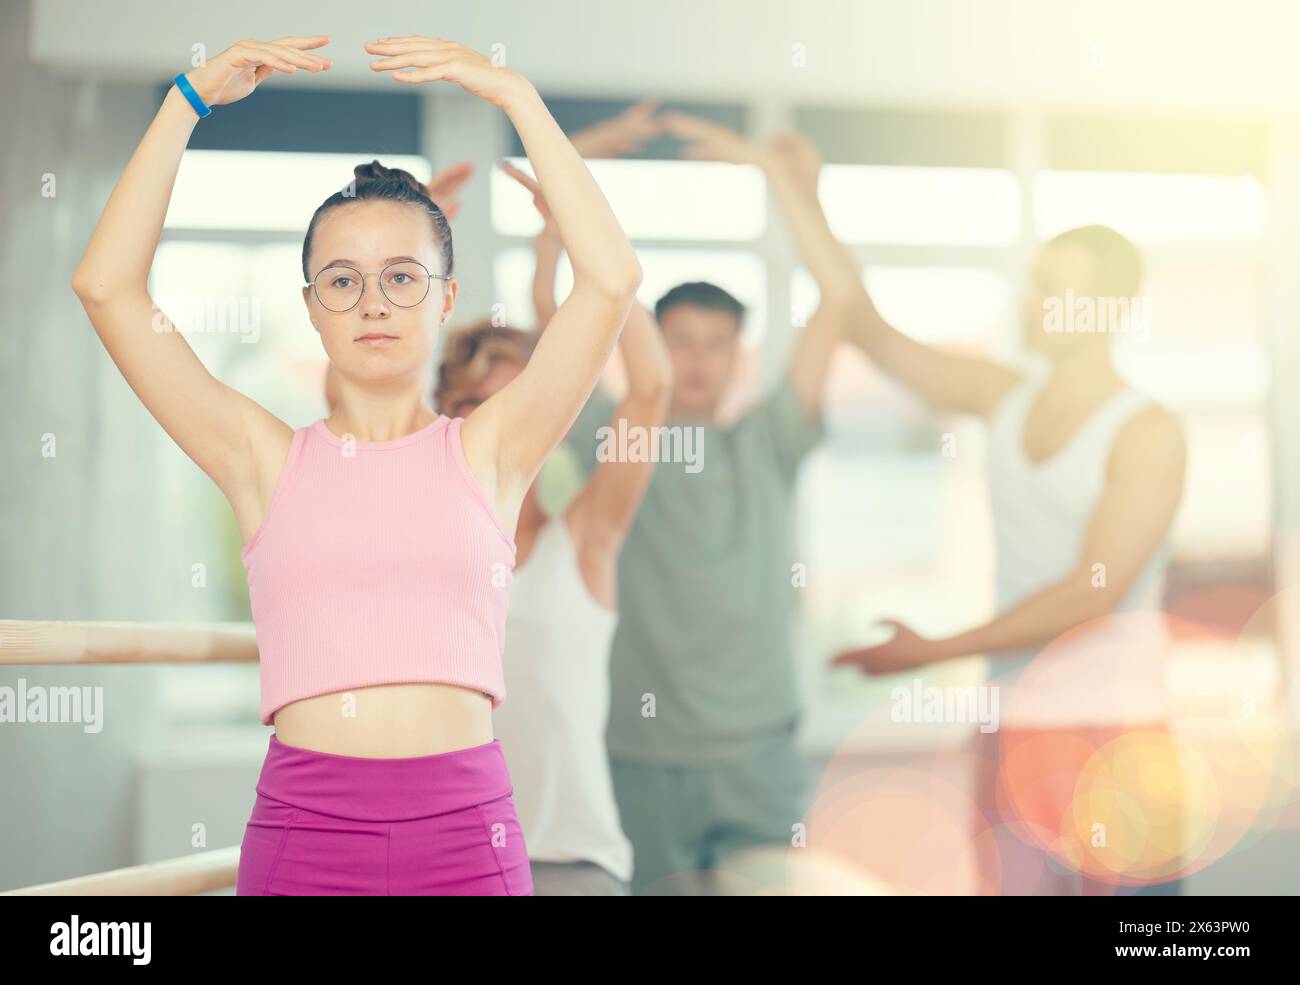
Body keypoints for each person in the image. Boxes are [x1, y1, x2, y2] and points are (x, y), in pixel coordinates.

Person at [72, 34, 642, 895]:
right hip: (307, 835)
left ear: (448, 295)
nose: (373, 301)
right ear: (311, 307)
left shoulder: (493, 448)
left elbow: (608, 280)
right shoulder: (259, 456)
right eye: (341, 280)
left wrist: (518, 98)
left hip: (466, 831)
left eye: (403, 276)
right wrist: (185, 100)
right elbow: (108, 286)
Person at [831, 224, 1187, 895]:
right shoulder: (1003, 394)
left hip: (1115, 739)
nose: (1028, 302)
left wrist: (934, 650)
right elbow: (870, 332)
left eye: (1050, 289)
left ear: (1104, 308)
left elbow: (1089, 594)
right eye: (1033, 284)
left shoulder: (1147, 431)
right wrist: (797, 185)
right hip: (1012, 729)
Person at [562, 112, 858, 894]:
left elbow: (837, 297)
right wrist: (570, 160)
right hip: (641, 751)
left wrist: (774, 174)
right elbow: (552, 301)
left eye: (715, 342)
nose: (696, 360)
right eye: (680, 340)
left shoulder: (769, 442)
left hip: (756, 749)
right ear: (652, 345)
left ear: (738, 353)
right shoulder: (612, 441)